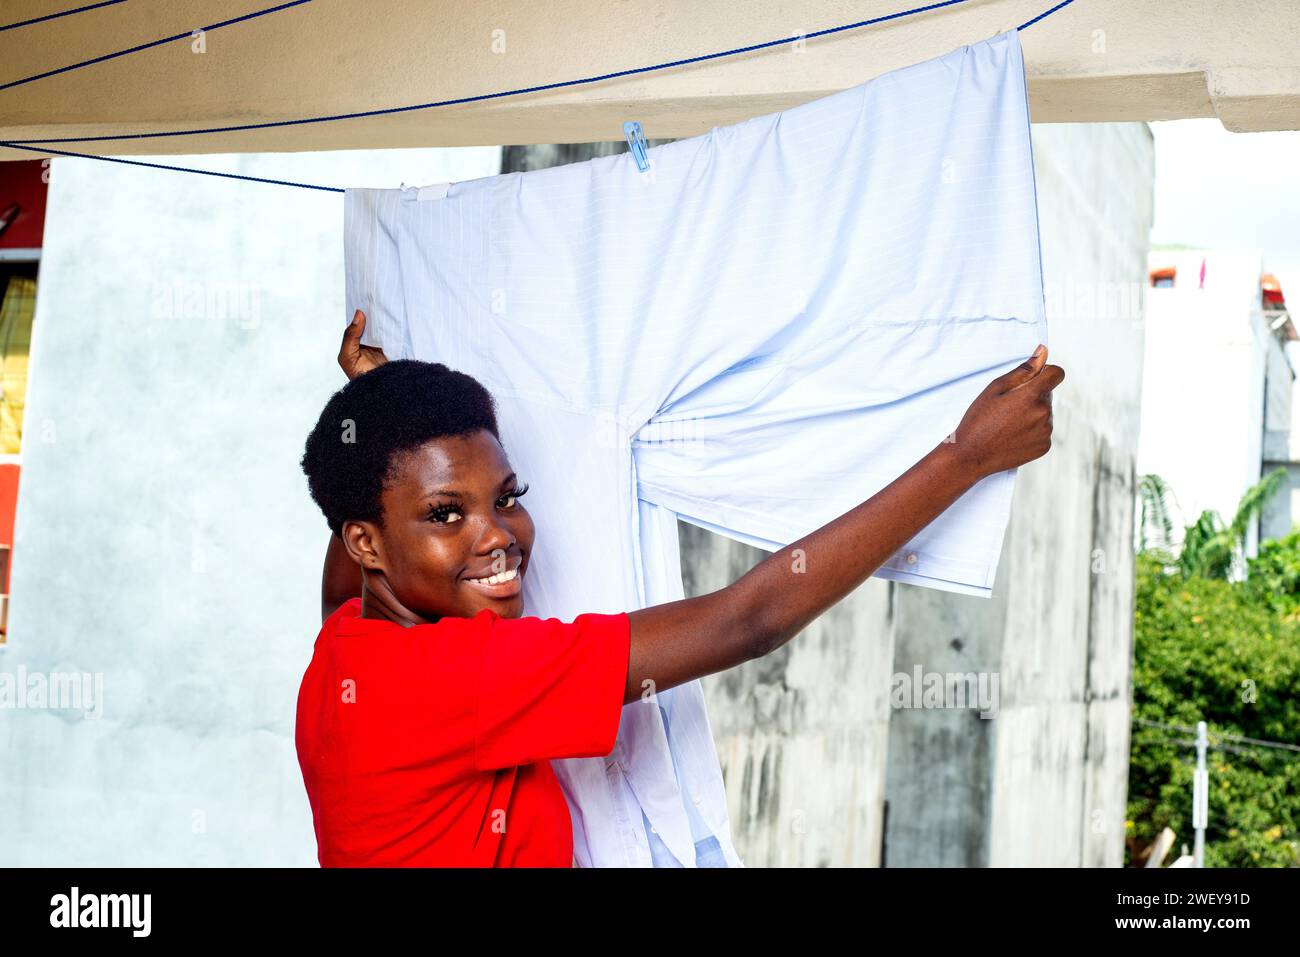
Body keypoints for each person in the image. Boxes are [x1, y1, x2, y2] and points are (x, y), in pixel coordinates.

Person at [295, 310, 1064, 867]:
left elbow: (348, 575)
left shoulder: (347, 650)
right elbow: (749, 618)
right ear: (367, 539)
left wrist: (376, 412)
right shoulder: (457, 674)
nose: (495, 535)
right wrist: (966, 457)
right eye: (445, 514)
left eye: (507, 496)